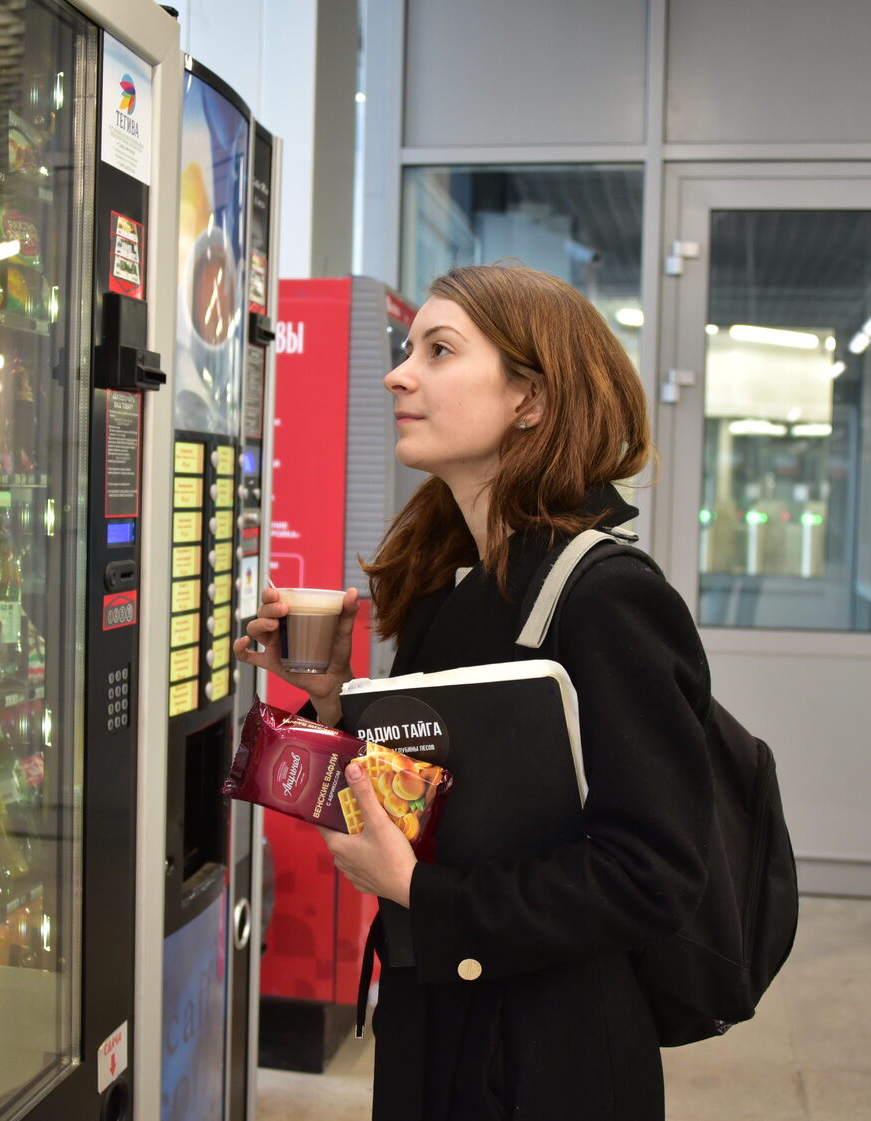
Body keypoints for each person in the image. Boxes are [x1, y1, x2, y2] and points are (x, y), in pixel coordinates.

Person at [235, 264, 712, 1120]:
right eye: (407, 345)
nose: (398, 372)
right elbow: (429, 799)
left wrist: (423, 895)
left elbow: (654, 875)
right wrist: (333, 699)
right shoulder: (452, 583)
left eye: (440, 349)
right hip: (436, 1023)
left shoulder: (608, 596)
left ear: (529, 397)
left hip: (550, 1058)